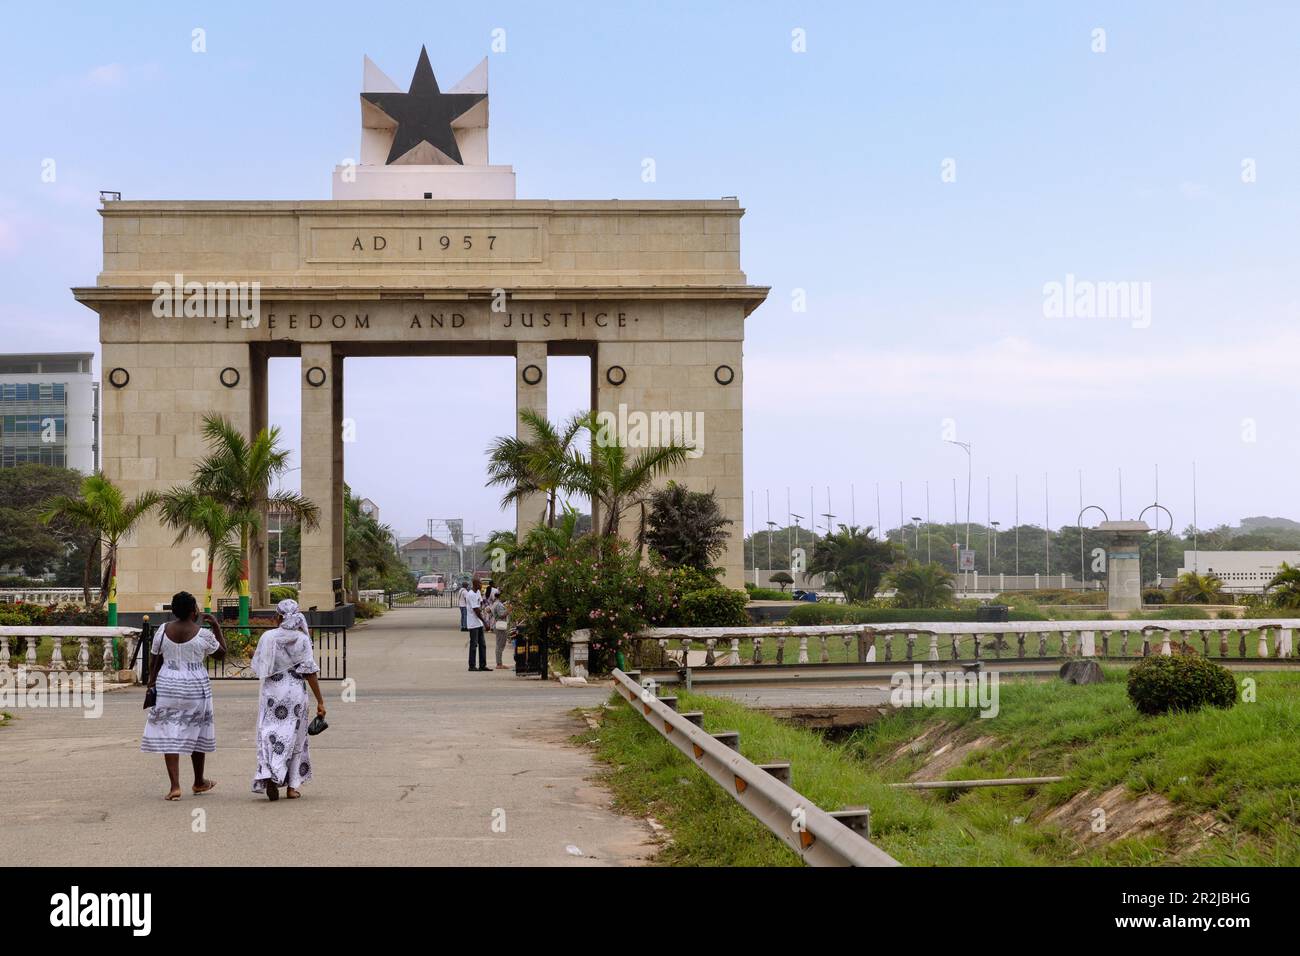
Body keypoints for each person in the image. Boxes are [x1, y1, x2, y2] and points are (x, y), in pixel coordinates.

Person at [141, 591, 226, 801]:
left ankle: (175, 787)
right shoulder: (203, 634)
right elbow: (222, 654)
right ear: (193, 610)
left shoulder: (162, 630)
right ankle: (199, 781)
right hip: (195, 686)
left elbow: (155, 660)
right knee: (196, 730)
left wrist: (151, 683)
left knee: (170, 733)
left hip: (168, 684)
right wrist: (215, 626)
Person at [249, 598, 327, 801]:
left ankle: (271, 774)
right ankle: (292, 787)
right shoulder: (301, 639)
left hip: (272, 693)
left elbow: (259, 666)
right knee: (296, 736)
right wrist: (320, 700)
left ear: (277, 617)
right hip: (294, 692)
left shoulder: (268, 637)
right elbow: (309, 672)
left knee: (270, 733)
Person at [465, 582, 488, 671]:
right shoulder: (470, 594)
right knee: (474, 645)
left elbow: (481, 602)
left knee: (482, 644)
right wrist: (485, 622)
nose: (481, 585)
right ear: (475, 584)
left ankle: (482, 665)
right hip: (473, 623)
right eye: (480, 583)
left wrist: (484, 604)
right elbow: (476, 610)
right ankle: (472, 666)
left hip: (479, 623)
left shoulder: (477, 592)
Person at [491, 592, 510, 669]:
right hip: (500, 625)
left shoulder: (495, 603)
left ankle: (499, 662)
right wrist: (508, 610)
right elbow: (501, 614)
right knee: (500, 644)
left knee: (499, 644)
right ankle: (499, 663)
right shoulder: (499, 604)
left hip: (498, 624)